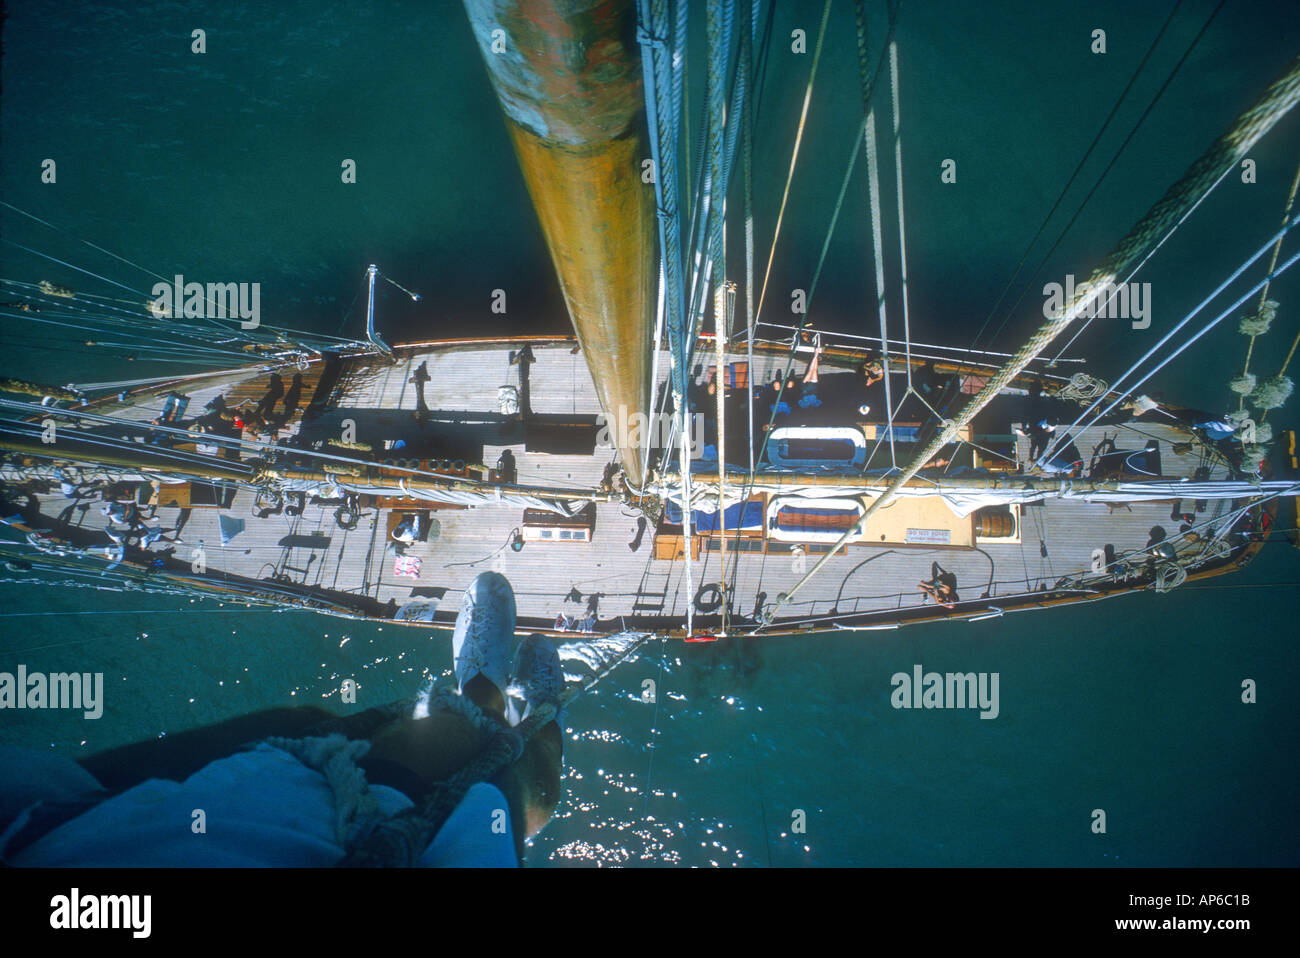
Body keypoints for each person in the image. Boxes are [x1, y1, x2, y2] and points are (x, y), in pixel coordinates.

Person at [0, 572, 565, 867]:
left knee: (305, 722)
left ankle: (511, 717)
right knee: (487, 786)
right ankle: (499, 711)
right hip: (279, 841)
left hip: (63, 825)